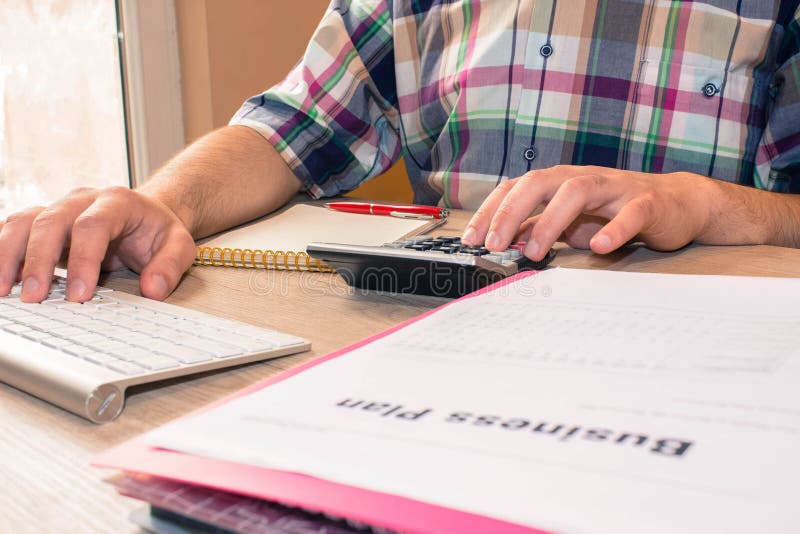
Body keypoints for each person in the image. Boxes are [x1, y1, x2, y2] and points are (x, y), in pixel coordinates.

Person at [2, 0, 800, 303]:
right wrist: (167, 201)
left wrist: (712, 204)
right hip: (437, 348)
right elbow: (287, 128)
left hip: (684, 359)